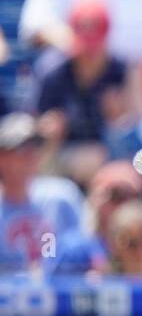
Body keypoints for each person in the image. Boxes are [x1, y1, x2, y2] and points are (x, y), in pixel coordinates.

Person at [28, 0, 132, 186]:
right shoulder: (52, 70)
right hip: (59, 154)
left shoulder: (119, 69)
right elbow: (32, 125)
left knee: (132, 161)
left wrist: (119, 117)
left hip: (108, 154)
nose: (89, 53)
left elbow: (136, 124)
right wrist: (47, 129)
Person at [0, 113, 89, 278]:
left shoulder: (62, 196)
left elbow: (87, 248)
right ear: (2, 157)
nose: (31, 156)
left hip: (60, 298)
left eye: (35, 148)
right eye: (22, 150)